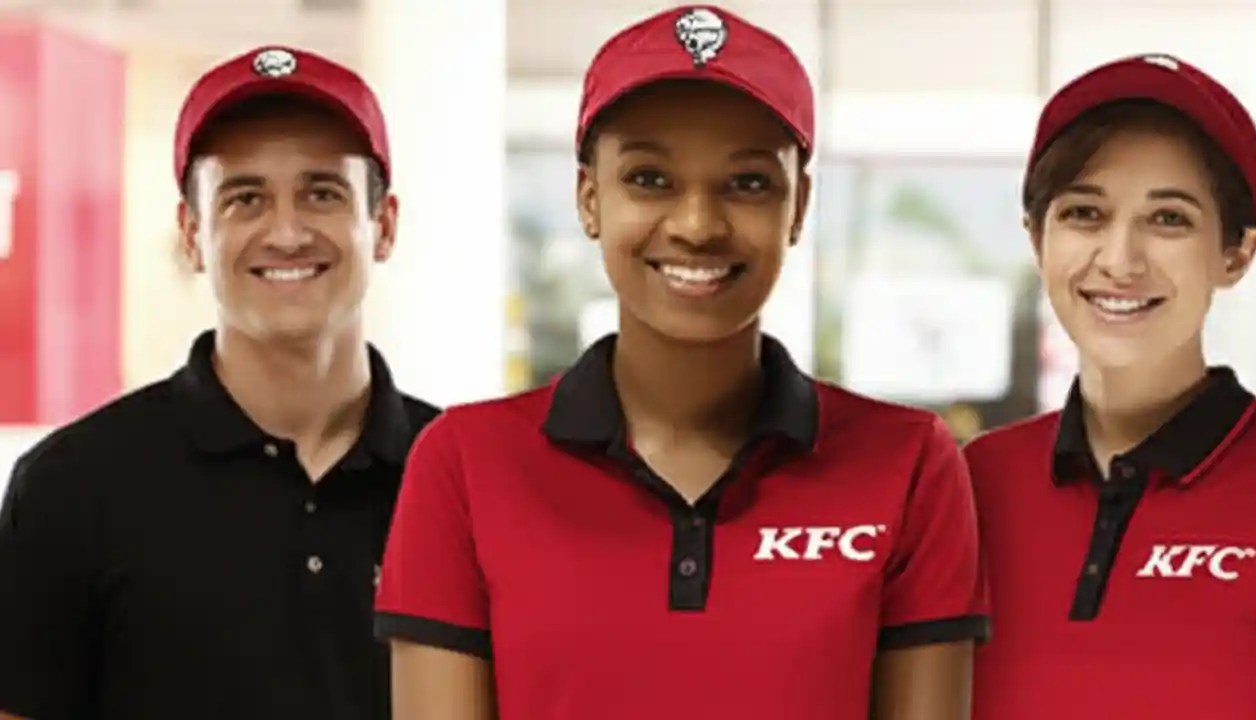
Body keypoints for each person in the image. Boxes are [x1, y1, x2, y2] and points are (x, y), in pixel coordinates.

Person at [373, 6, 987, 719]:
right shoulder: (464, 463)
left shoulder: (909, 464)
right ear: (588, 197)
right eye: (650, 179)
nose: (697, 224)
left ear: (799, 207)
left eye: (749, 183)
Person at [0, 46, 438, 720]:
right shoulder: (72, 485)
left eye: (322, 192)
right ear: (192, 233)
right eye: (245, 199)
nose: (286, 232)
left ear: (383, 226)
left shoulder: (464, 477)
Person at [965, 53, 1256, 719]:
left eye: (1169, 220)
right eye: (1084, 213)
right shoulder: (964, 486)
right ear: (1035, 238)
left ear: (1237, 253)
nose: (1120, 260)